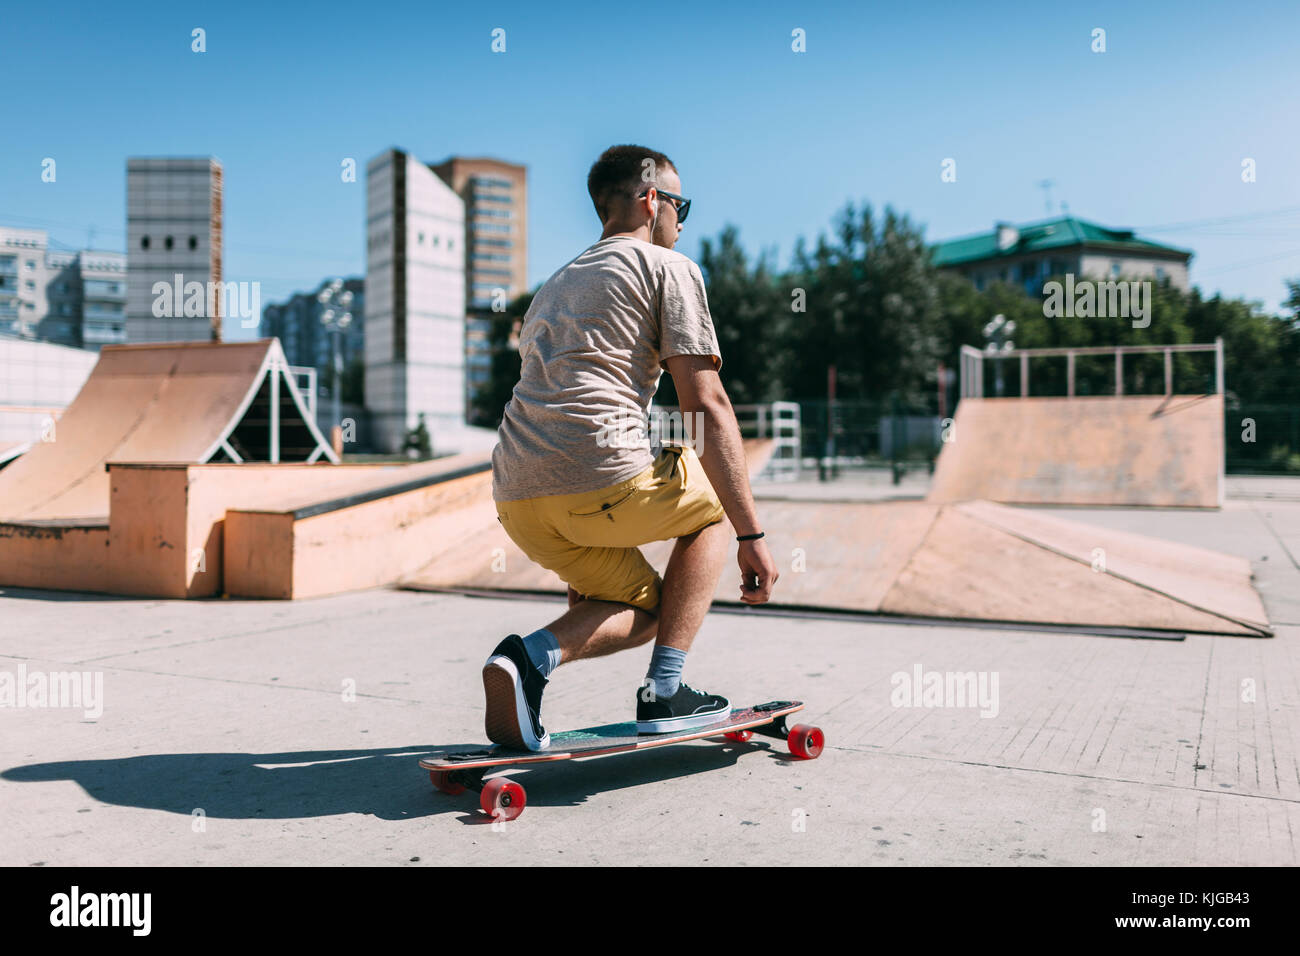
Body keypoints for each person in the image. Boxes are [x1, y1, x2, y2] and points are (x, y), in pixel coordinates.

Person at [483, 144, 779, 751]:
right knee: (716, 503)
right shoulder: (668, 268)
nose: (681, 221)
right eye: (681, 205)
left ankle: (526, 659)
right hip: (598, 475)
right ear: (651, 200)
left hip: (516, 497)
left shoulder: (554, 283)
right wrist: (752, 536)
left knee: (645, 611)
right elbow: (707, 404)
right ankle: (665, 693)